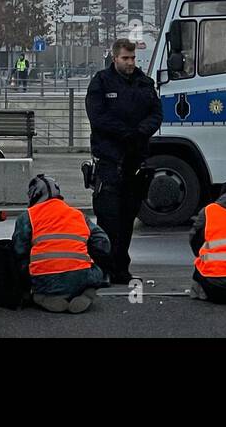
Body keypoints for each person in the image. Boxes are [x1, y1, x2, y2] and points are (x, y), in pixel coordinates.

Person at [86, 38, 162, 284]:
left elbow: (156, 113)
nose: (130, 63)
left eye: (132, 58)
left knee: (128, 217)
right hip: (109, 159)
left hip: (135, 160)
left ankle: (121, 268)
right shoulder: (101, 82)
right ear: (114, 58)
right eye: (125, 58)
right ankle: (105, 268)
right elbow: (98, 117)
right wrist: (124, 132)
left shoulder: (144, 83)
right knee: (108, 218)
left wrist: (140, 132)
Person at [12, 174, 111, 313]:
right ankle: (86, 292)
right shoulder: (77, 214)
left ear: (33, 195)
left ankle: (42, 297)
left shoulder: (27, 217)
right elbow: (103, 244)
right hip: (81, 276)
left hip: (45, 280)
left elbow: (19, 250)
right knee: (96, 272)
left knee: (24, 265)